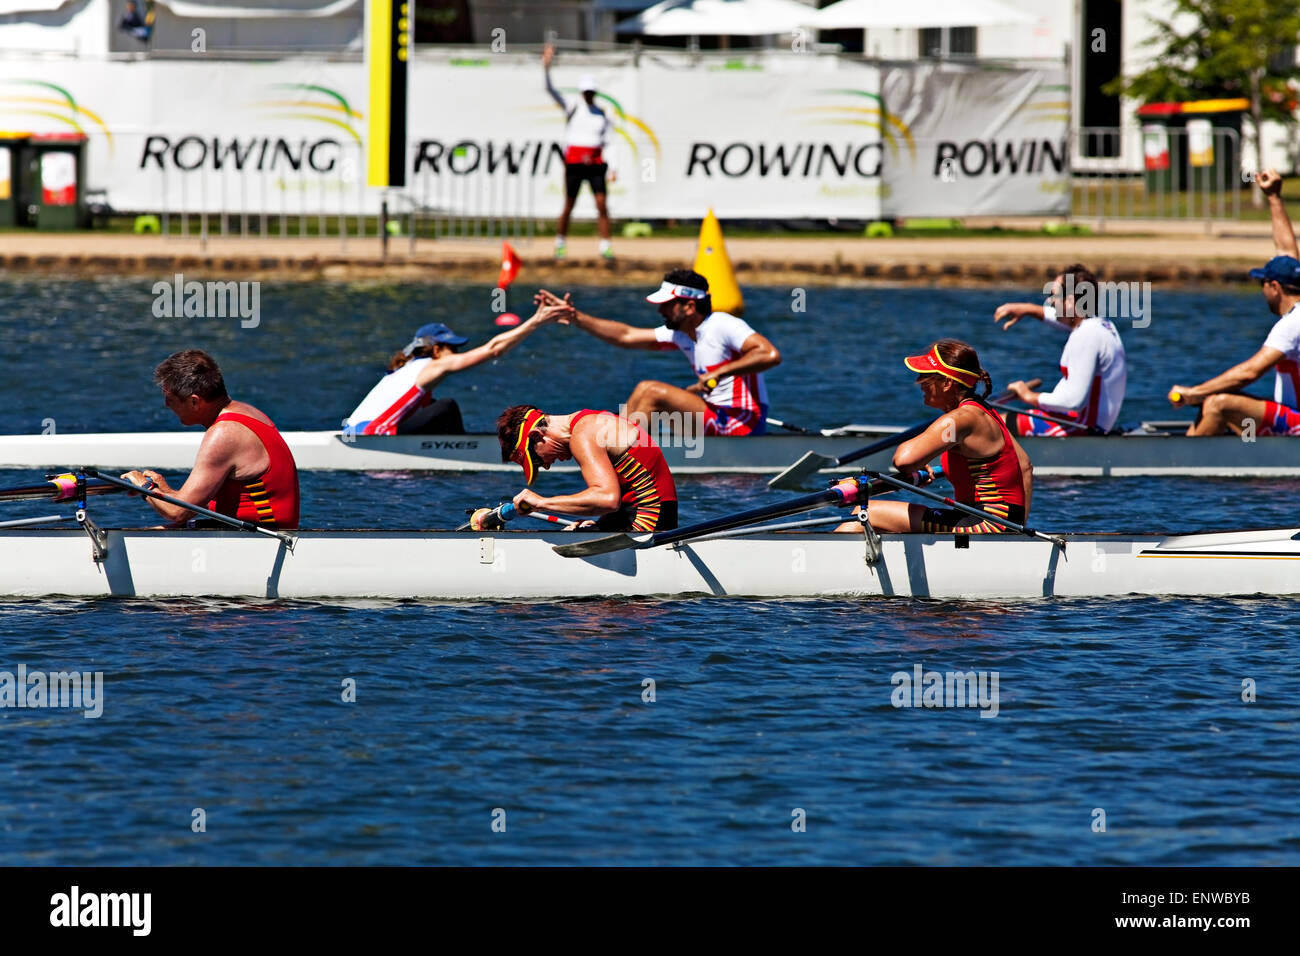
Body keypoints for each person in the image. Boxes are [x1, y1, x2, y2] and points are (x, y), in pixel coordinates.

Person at [536, 269, 781, 436]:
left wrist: (721, 372)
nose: (660, 310)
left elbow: (769, 354)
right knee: (636, 406)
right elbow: (626, 336)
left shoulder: (723, 324)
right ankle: (616, 446)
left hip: (742, 424)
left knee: (649, 390)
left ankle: (619, 456)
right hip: (716, 416)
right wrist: (575, 316)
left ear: (689, 306)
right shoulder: (681, 332)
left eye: (666, 304)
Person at [836, 339, 1032, 534]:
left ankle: (815, 561)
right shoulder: (986, 411)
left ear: (947, 383)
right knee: (879, 523)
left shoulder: (962, 419)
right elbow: (1024, 466)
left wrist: (918, 459)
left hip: (985, 523)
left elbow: (903, 460)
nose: (919, 382)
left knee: (866, 512)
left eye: (926, 376)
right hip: (999, 522)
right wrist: (1017, 529)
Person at [1169, 169, 1300, 436]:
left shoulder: (1291, 325)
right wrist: (1273, 197)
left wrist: (1193, 393)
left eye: (1262, 284)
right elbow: (1287, 254)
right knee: (1217, 399)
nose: (1261, 290)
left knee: (1218, 403)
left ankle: (1184, 469)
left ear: (1274, 287)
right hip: (1291, 419)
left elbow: (1249, 373)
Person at [121, 349, 299, 528]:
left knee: (129, 541)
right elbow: (194, 505)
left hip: (264, 539)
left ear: (194, 401)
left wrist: (143, 486)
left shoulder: (225, 433)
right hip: (252, 531)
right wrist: (163, 491)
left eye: (170, 398)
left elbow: (178, 512)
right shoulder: (247, 412)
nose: (166, 404)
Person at [343, 303, 569, 436]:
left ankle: (449, 448)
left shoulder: (404, 368)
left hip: (355, 432)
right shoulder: (435, 365)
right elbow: (494, 349)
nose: (456, 352)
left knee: (431, 404)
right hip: (372, 437)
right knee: (446, 406)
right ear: (436, 349)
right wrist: (535, 322)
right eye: (452, 347)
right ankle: (463, 451)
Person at [992, 262, 1127, 435]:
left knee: (989, 428)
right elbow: (1059, 318)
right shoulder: (1101, 326)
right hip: (1089, 421)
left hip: (1083, 427)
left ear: (1070, 301)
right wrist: (1027, 309)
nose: (1049, 301)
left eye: (1053, 295)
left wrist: (1029, 396)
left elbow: (1073, 401)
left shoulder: (1086, 337)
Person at [496, 404, 678, 532]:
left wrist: (542, 503)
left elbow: (607, 500)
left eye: (535, 460)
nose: (546, 466)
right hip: (641, 516)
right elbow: (628, 491)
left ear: (537, 436)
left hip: (647, 524)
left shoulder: (583, 435)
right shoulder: (587, 419)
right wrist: (601, 525)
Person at [543, 43, 613, 260]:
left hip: (595, 164)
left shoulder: (602, 113)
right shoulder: (573, 107)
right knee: (569, 204)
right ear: (583, 92)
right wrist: (546, 67)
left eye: (592, 91)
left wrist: (614, 167)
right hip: (574, 163)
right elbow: (550, 90)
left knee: (601, 204)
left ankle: (605, 245)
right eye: (586, 91)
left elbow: (609, 141)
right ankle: (560, 243)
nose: (589, 94)